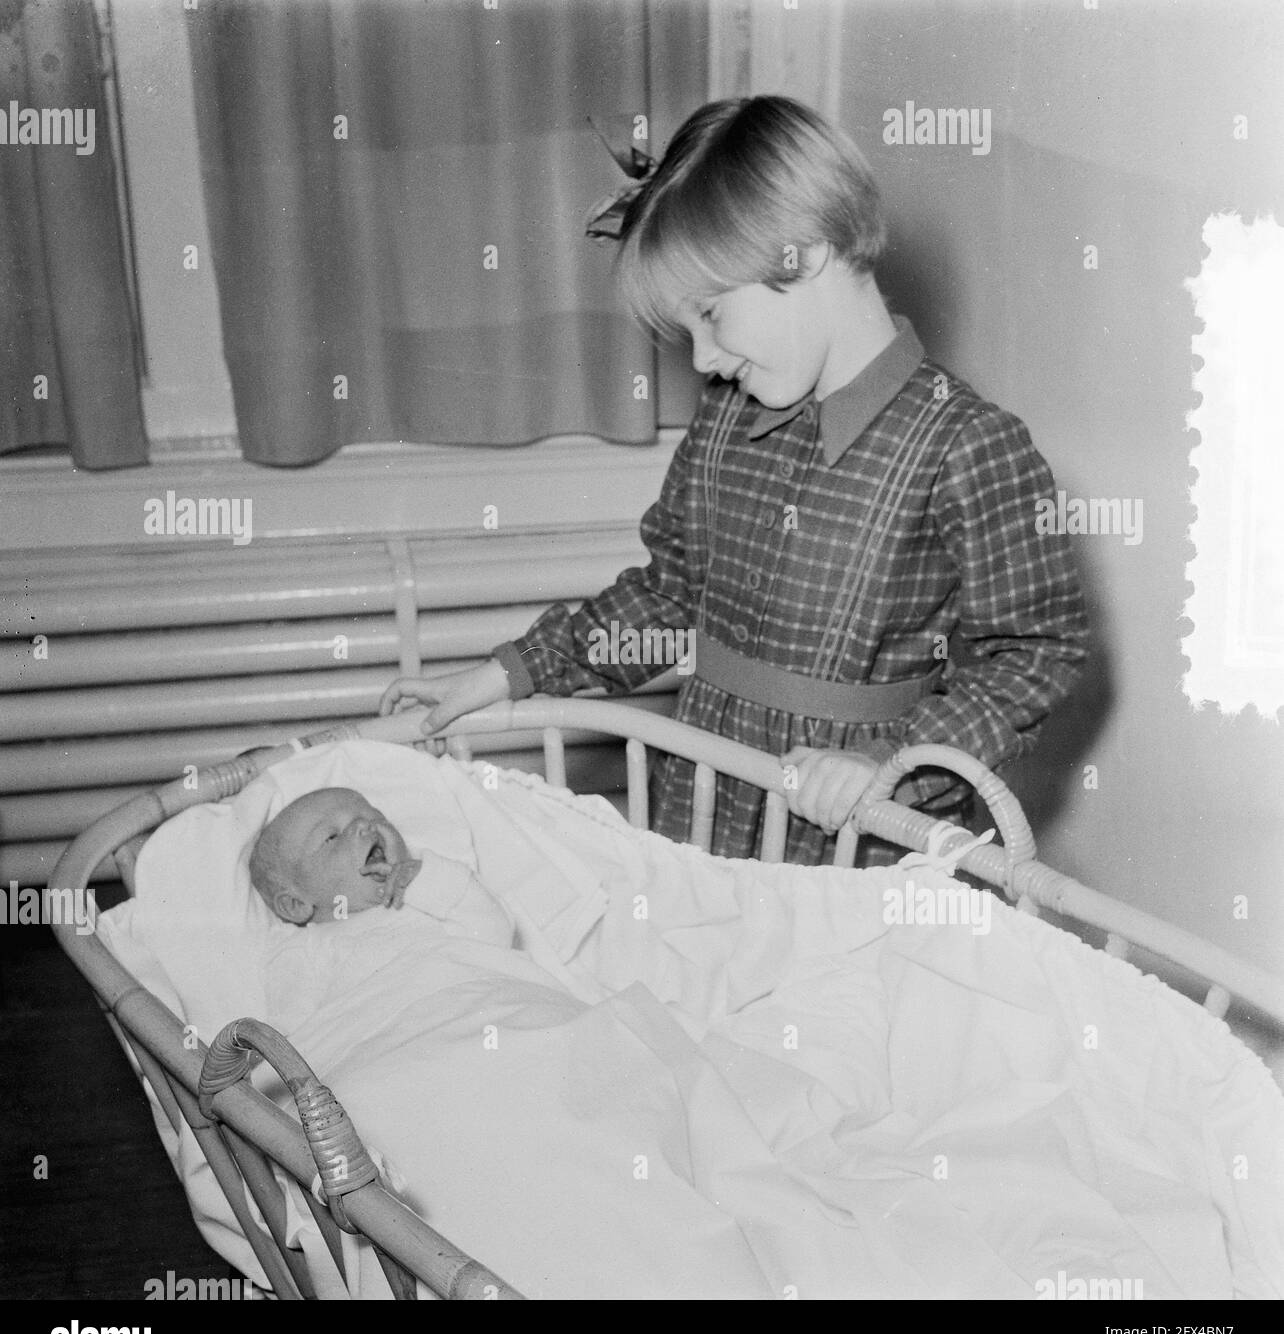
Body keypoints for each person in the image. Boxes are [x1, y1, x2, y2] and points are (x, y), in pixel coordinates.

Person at [381, 95, 1089, 864]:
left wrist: (895, 764)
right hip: (706, 797)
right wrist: (504, 674)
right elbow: (667, 600)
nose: (704, 361)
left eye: (712, 316)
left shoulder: (968, 444)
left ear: (805, 253)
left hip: (851, 833)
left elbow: (1032, 655)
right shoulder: (724, 422)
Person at [249, 787, 509, 938]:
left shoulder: (429, 906)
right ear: (296, 904)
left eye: (373, 816)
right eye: (331, 836)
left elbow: (496, 932)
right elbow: (292, 1026)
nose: (364, 825)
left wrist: (425, 879)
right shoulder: (301, 950)